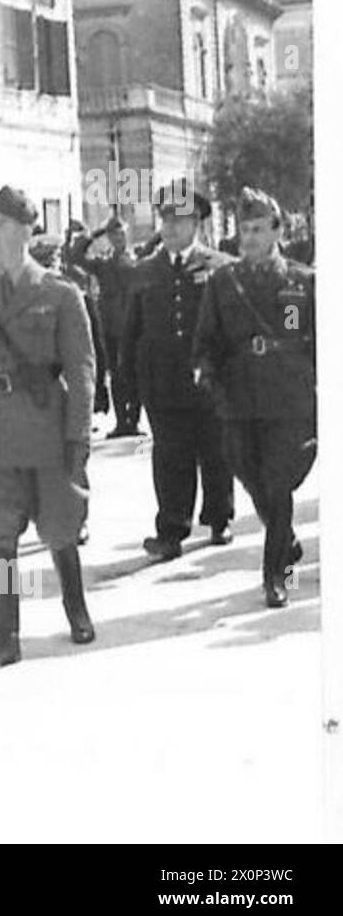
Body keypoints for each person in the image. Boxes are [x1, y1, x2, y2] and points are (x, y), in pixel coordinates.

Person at [0, 187, 96, 673]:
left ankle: (75, 609)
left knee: (60, 521)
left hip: (45, 424)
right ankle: (4, 636)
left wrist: (78, 435)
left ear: (22, 230)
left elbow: (81, 369)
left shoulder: (60, 294)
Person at [193, 187, 316, 608]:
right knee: (249, 472)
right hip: (240, 396)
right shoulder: (223, 283)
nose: (249, 238)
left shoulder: (302, 282)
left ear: (277, 231)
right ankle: (286, 537)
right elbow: (206, 338)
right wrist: (205, 369)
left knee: (279, 482)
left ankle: (275, 575)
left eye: (259, 229)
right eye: (245, 230)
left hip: (288, 397)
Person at [119, 182, 235, 560]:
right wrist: (127, 384)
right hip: (162, 382)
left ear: (196, 224)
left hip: (208, 381)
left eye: (179, 220)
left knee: (215, 452)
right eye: (165, 219)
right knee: (170, 456)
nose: (170, 227)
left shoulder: (219, 268)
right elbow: (131, 331)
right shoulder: (144, 271)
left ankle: (219, 517)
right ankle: (171, 530)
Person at [68, 214, 139, 436]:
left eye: (120, 234)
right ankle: (122, 422)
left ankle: (133, 421)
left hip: (133, 325)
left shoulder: (138, 261)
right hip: (110, 326)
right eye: (113, 235)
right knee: (117, 375)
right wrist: (95, 233)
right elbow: (76, 256)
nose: (118, 238)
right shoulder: (103, 264)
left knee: (134, 374)